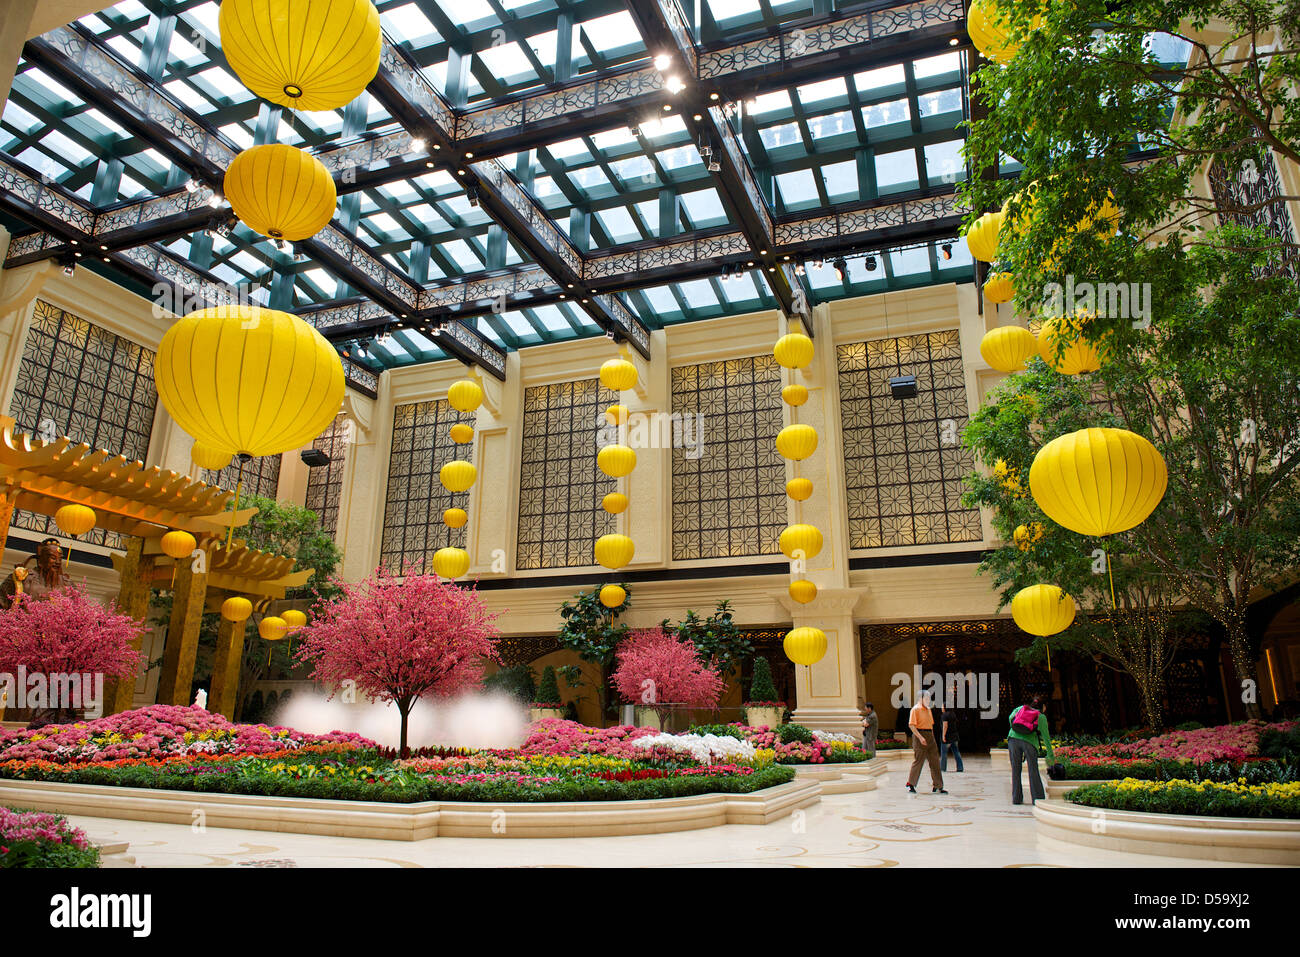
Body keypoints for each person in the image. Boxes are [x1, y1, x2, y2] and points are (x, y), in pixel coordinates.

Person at [1008, 695, 1055, 804]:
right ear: (1043, 706)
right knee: (1033, 769)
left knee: (1015, 769)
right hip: (1029, 742)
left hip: (1013, 739)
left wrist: (1017, 730)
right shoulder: (1041, 717)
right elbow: (1046, 737)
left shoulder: (1020, 709)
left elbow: (1010, 718)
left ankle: (1016, 798)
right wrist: (1050, 756)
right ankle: (1037, 797)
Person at [905, 689, 946, 794]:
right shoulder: (915, 709)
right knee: (919, 761)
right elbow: (912, 725)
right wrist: (920, 737)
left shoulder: (928, 709)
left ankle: (938, 785)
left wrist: (932, 738)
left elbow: (931, 725)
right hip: (919, 735)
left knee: (935, 761)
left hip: (929, 736)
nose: (928, 700)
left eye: (929, 698)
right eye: (926, 698)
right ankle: (911, 784)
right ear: (920, 698)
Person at [940, 700, 963, 772]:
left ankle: (943, 768)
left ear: (945, 707)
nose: (941, 707)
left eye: (942, 706)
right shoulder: (953, 714)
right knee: (956, 752)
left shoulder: (944, 715)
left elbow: (945, 726)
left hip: (947, 737)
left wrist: (943, 736)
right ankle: (960, 768)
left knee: (944, 754)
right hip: (955, 736)